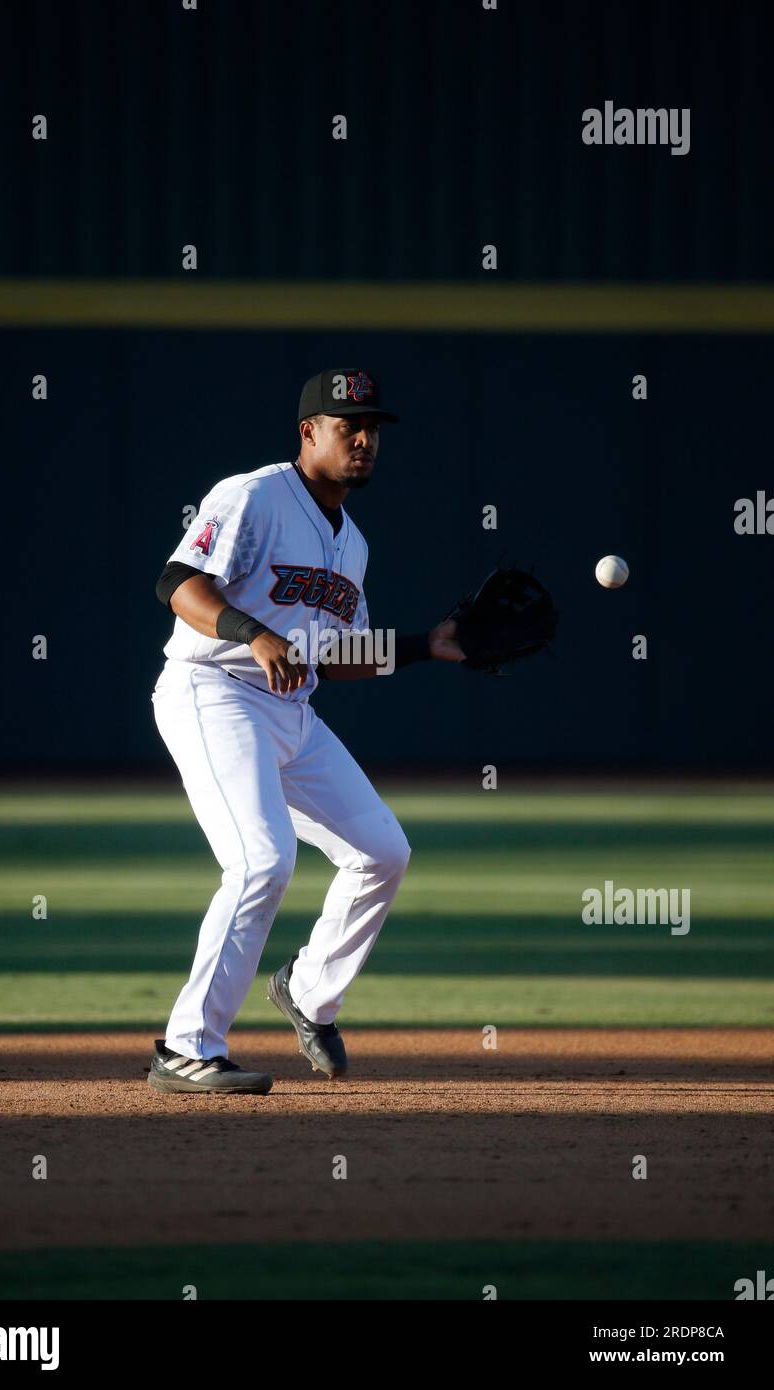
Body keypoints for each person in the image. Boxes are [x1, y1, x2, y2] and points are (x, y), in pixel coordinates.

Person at [147, 368, 464, 1096]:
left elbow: (335, 656)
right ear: (308, 432)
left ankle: (310, 994)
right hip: (214, 691)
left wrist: (424, 645)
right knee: (263, 860)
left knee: (382, 851)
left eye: (373, 428)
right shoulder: (253, 495)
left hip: (292, 713)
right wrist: (254, 634)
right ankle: (186, 1046)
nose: (364, 439)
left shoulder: (352, 543)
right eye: (348, 424)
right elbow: (176, 584)